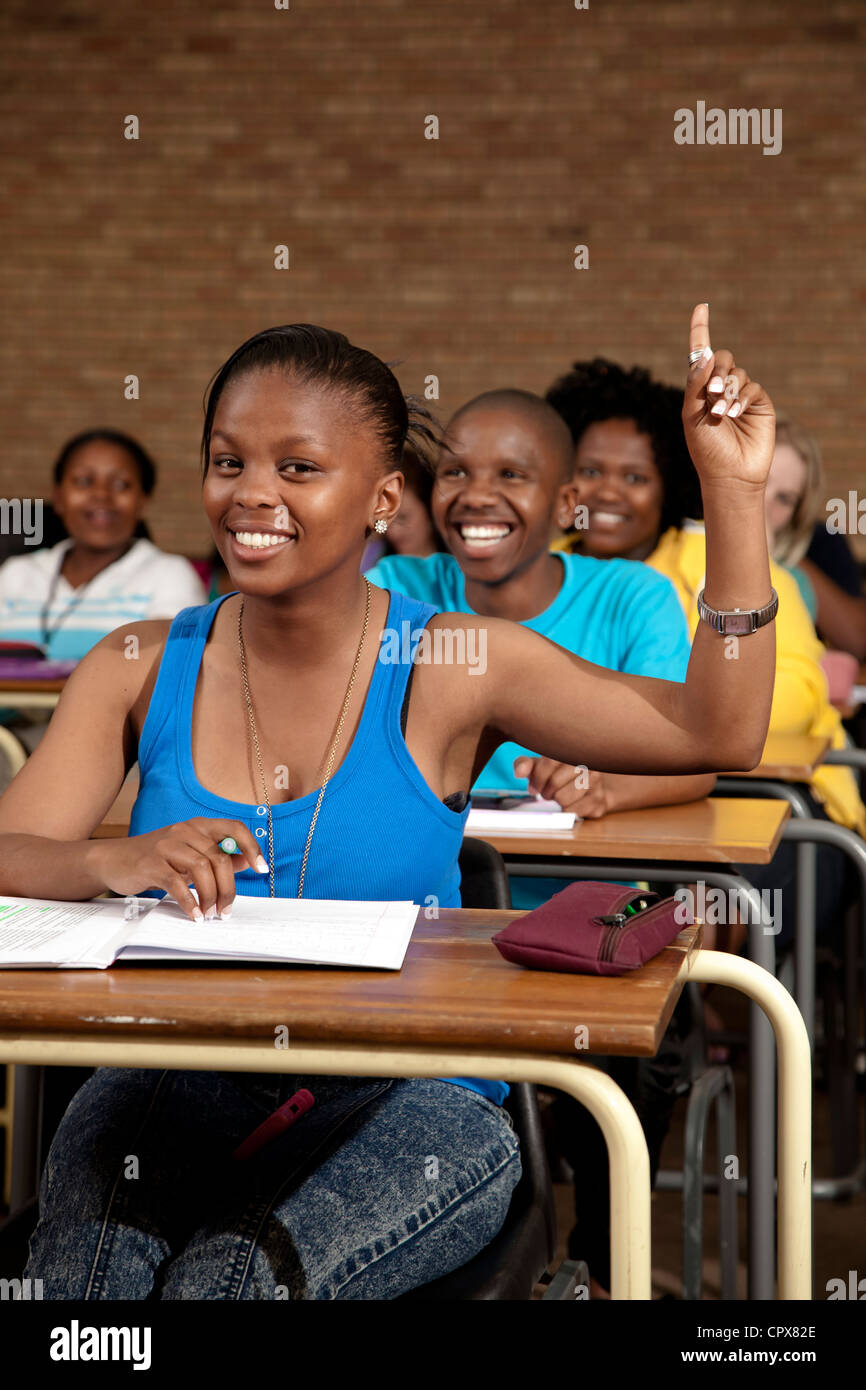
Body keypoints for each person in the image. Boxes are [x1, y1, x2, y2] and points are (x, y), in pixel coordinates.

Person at [1, 307, 778, 1300]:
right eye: (227, 460)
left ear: (380, 499)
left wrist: (732, 487)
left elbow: (717, 732)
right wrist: (105, 861)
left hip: (414, 1097)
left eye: (296, 468)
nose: (251, 494)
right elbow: (11, 850)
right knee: (84, 1287)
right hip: (175, 1076)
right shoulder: (138, 663)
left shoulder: (449, 665)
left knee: (230, 1283)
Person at [547, 357, 866, 943]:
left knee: (699, 908)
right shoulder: (546, 565)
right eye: (589, 470)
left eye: (636, 477)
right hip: (604, 809)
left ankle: (699, 1019)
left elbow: (792, 695)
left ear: (668, 484)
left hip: (775, 805)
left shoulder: (726, 561)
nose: (608, 492)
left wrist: (636, 735)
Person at [366, 387, 715, 911]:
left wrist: (603, 786)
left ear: (566, 504)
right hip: (414, 905)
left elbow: (695, 760)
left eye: (511, 475)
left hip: (581, 907)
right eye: (455, 473)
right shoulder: (392, 588)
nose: (477, 495)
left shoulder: (633, 595)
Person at [0, 429, 206, 660]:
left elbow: (171, 666)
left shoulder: (170, 575)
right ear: (58, 497)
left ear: (142, 501)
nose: (101, 494)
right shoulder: (16, 574)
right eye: (84, 481)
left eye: (121, 485)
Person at [765, 416, 866, 660]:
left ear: (799, 511)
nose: (763, 505)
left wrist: (775, 557)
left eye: (784, 498)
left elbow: (859, 641)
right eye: (757, 483)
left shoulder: (820, 543)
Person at [360, 444, 445, 570]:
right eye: (383, 520)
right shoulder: (370, 563)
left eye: (404, 518)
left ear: (430, 507)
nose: (393, 533)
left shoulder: (461, 569)